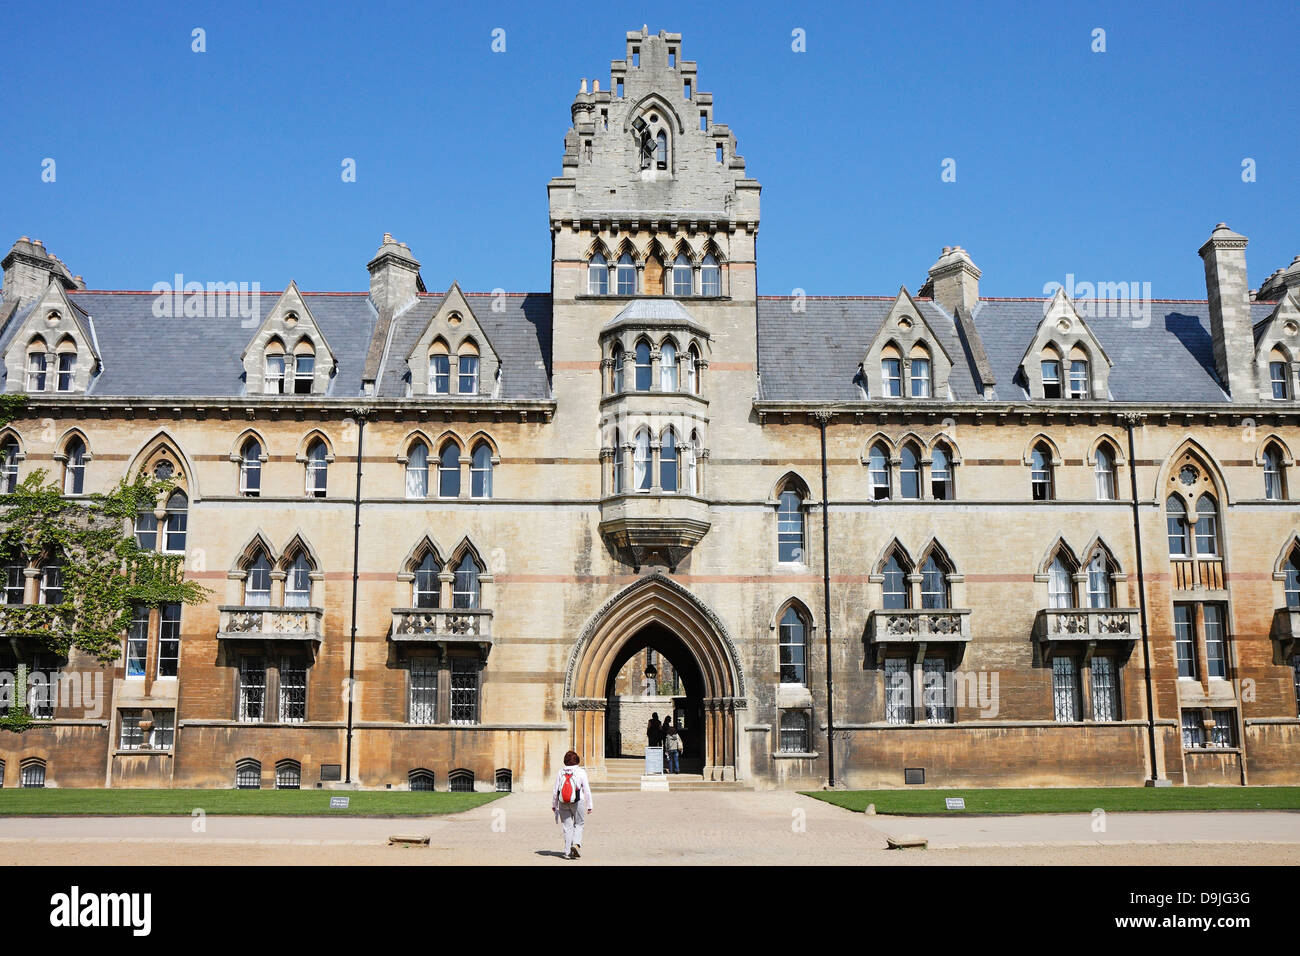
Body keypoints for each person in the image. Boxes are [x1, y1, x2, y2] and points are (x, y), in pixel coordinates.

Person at [551, 750, 593, 860]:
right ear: (577, 761)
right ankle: (576, 844)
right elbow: (587, 790)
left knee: (567, 827)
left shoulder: (560, 772)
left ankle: (567, 851)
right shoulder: (581, 772)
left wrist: (554, 805)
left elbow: (555, 790)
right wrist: (589, 805)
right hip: (578, 801)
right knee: (579, 824)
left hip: (563, 802)